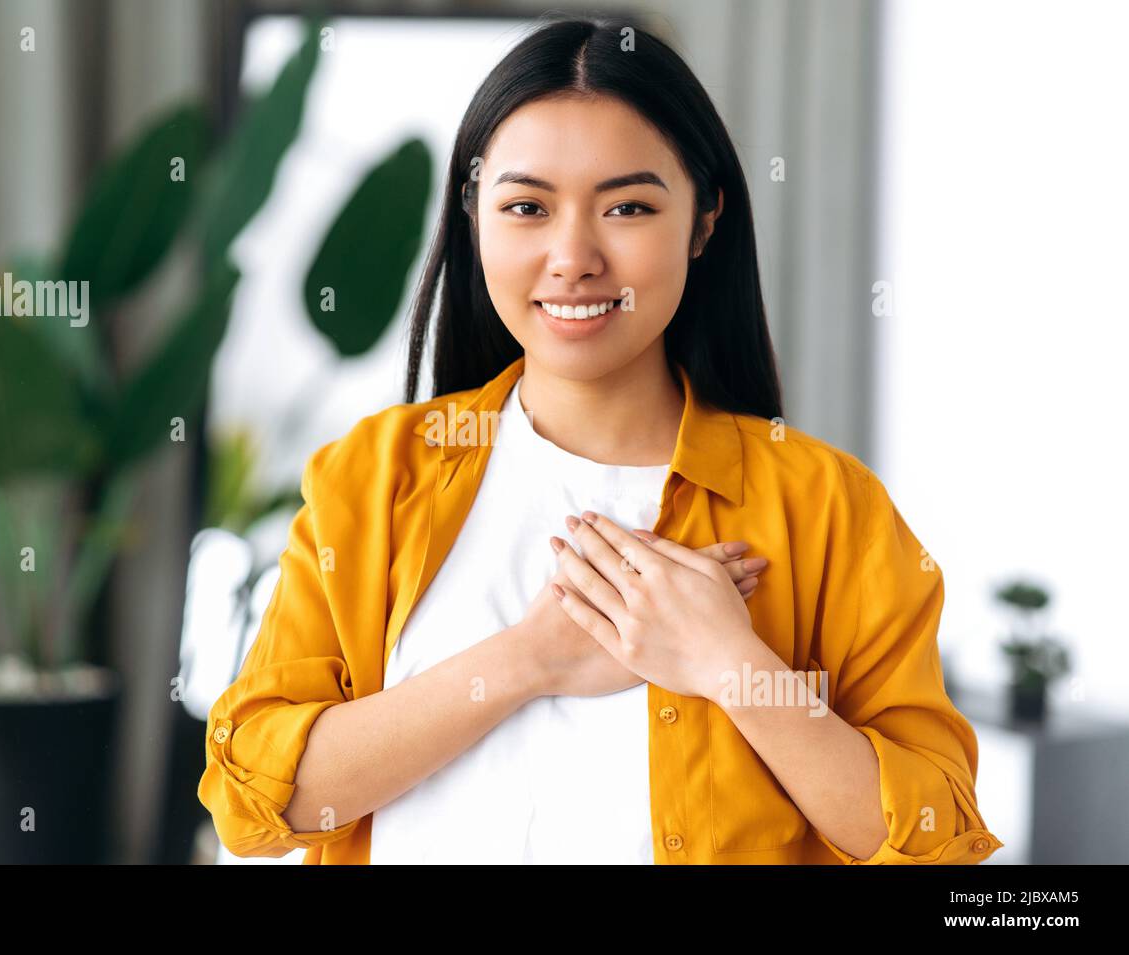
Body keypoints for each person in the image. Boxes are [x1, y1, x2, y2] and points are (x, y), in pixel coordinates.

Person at [198, 15, 1003, 865]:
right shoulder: (374, 474)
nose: (573, 256)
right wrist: (530, 659)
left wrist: (729, 661)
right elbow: (254, 802)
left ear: (703, 221)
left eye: (627, 207)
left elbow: (938, 843)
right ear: (474, 218)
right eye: (526, 207)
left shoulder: (829, 507)